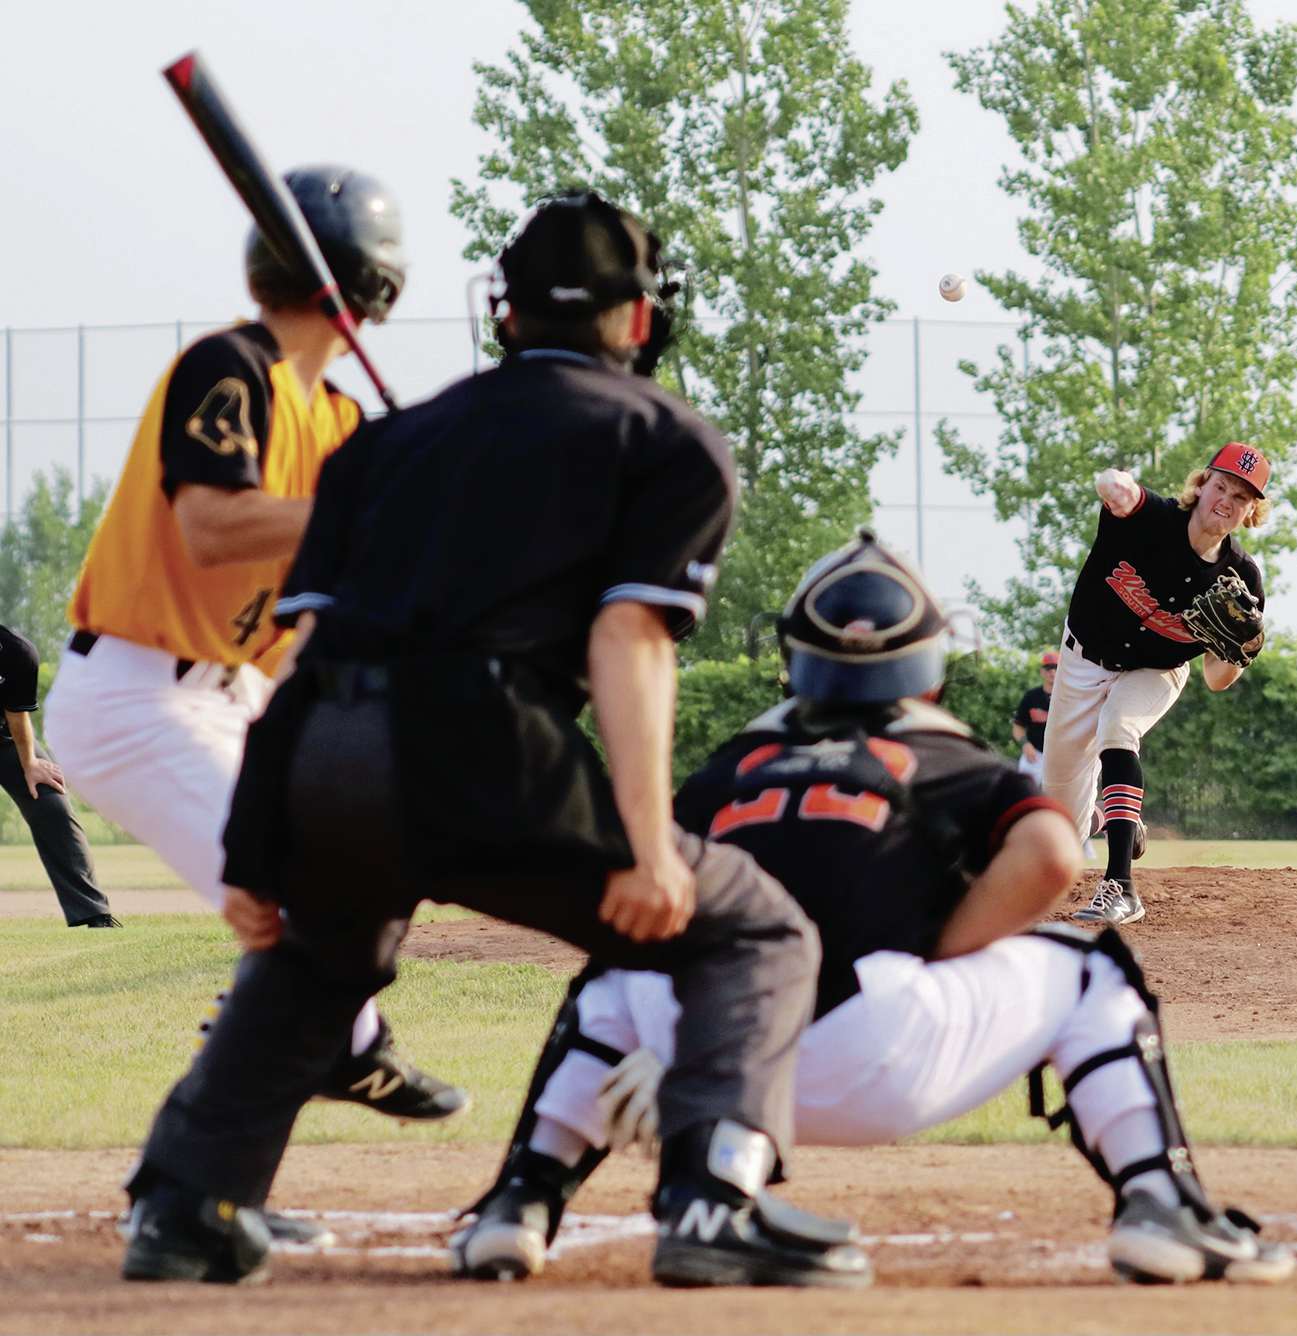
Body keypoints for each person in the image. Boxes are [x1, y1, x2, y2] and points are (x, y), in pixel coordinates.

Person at [116, 192, 864, 1291]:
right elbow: (628, 637)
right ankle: (713, 1200)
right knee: (751, 929)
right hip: (477, 742)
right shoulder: (666, 439)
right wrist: (652, 845)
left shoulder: (384, 445)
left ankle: (184, 1206)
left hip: (320, 740)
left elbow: (304, 645)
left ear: (503, 315)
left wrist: (255, 848)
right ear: (640, 321)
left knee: (321, 948)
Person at [451, 530, 1294, 1287]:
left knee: (612, 980)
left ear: (796, 658)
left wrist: (665, 1019)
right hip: (878, 1054)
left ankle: (518, 1203)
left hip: (710, 1055)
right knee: (1094, 968)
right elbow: (1048, 856)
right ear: (926, 664)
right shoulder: (932, 748)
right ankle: (1160, 1202)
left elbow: (647, 883)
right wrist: (936, 948)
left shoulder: (736, 761)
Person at [44, 167, 462, 1161]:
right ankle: (307, 1079)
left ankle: (325, 1058)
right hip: (133, 698)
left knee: (350, 871)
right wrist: (369, 510)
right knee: (290, 909)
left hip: (236, 693)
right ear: (381, 286)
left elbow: (317, 607)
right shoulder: (228, 365)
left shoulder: (345, 425)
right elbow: (210, 526)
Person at [1042, 446, 1271, 928]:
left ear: (1252, 512)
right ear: (1201, 485)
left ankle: (1120, 886)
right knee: (1066, 824)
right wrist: (1115, 484)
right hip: (1084, 659)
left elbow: (1215, 678)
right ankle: (1116, 819)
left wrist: (1241, 653)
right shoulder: (1152, 519)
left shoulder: (1241, 578)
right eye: (1221, 486)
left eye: (1242, 497)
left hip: (1157, 670)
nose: (1226, 501)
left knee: (1118, 728)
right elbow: (1117, 491)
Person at [0, 624, 117, 927]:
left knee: (52, 804)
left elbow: (17, 714)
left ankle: (94, 914)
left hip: (6, 740)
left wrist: (30, 763)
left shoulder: (15, 651)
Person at [1009, 649, 1057, 785]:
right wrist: (1025, 744)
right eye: (1048, 668)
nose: (1052, 672)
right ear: (1042, 671)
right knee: (1023, 789)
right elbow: (1018, 726)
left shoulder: (1070, 698)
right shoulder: (1032, 696)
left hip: (1061, 755)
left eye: (1055, 667)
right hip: (1035, 754)